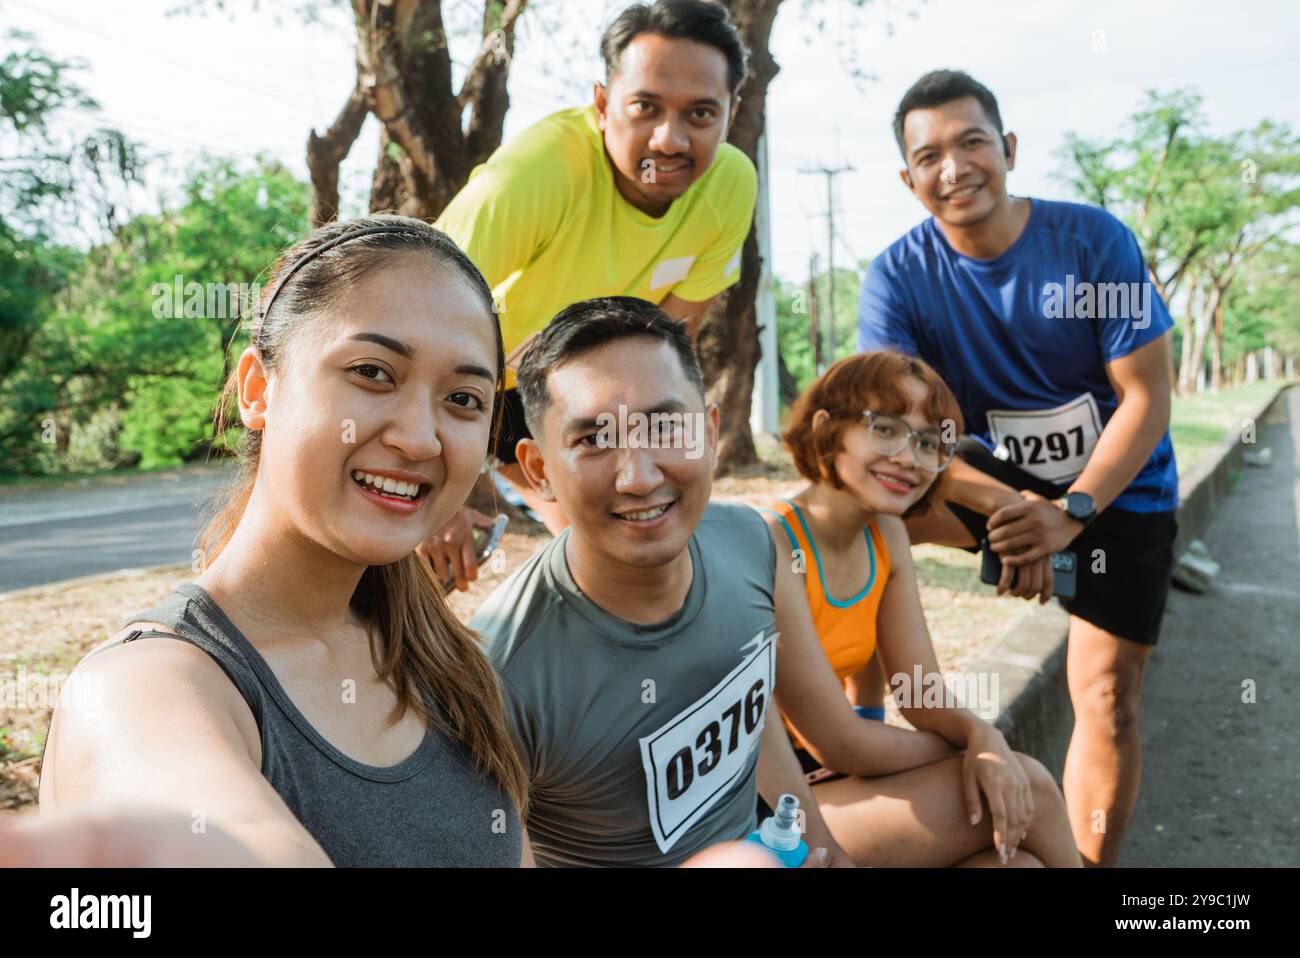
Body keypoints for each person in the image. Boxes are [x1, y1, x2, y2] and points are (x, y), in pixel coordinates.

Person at [472, 296, 1078, 868]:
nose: (637, 475)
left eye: (665, 428)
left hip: (775, 836)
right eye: (595, 439)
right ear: (539, 469)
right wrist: (973, 744)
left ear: (710, 434)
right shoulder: (495, 673)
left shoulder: (749, 546)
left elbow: (754, 715)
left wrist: (821, 845)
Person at [29, 216, 530, 867]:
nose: (419, 437)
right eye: (373, 373)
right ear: (258, 390)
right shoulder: (142, 685)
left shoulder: (448, 665)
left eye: (463, 398)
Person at [858, 69, 1179, 866]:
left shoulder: (1093, 242)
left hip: (1118, 489)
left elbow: (1145, 399)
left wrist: (1068, 515)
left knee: (1107, 700)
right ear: (908, 179)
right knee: (854, 507)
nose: (953, 168)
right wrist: (1018, 516)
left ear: (1006, 148)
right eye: (928, 156)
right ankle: (853, 736)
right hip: (988, 483)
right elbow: (894, 436)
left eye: (971, 144)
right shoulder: (898, 277)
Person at [426, 0, 758, 590]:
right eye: (646, 107)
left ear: (731, 113)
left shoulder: (732, 184)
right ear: (603, 105)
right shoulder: (537, 173)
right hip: (469, 380)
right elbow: (421, 316)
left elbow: (672, 343)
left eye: (701, 113)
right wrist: (450, 485)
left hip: (583, 398)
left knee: (627, 561)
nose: (670, 139)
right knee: (424, 561)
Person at [761, 350, 1080, 866]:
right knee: (1034, 788)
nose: (910, 458)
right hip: (767, 804)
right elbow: (839, 744)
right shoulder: (774, 546)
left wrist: (980, 735)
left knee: (1014, 864)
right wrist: (976, 746)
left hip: (837, 784)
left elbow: (921, 693)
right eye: (885, 430)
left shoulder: (885, 535)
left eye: (929, 443)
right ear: (826, 429)